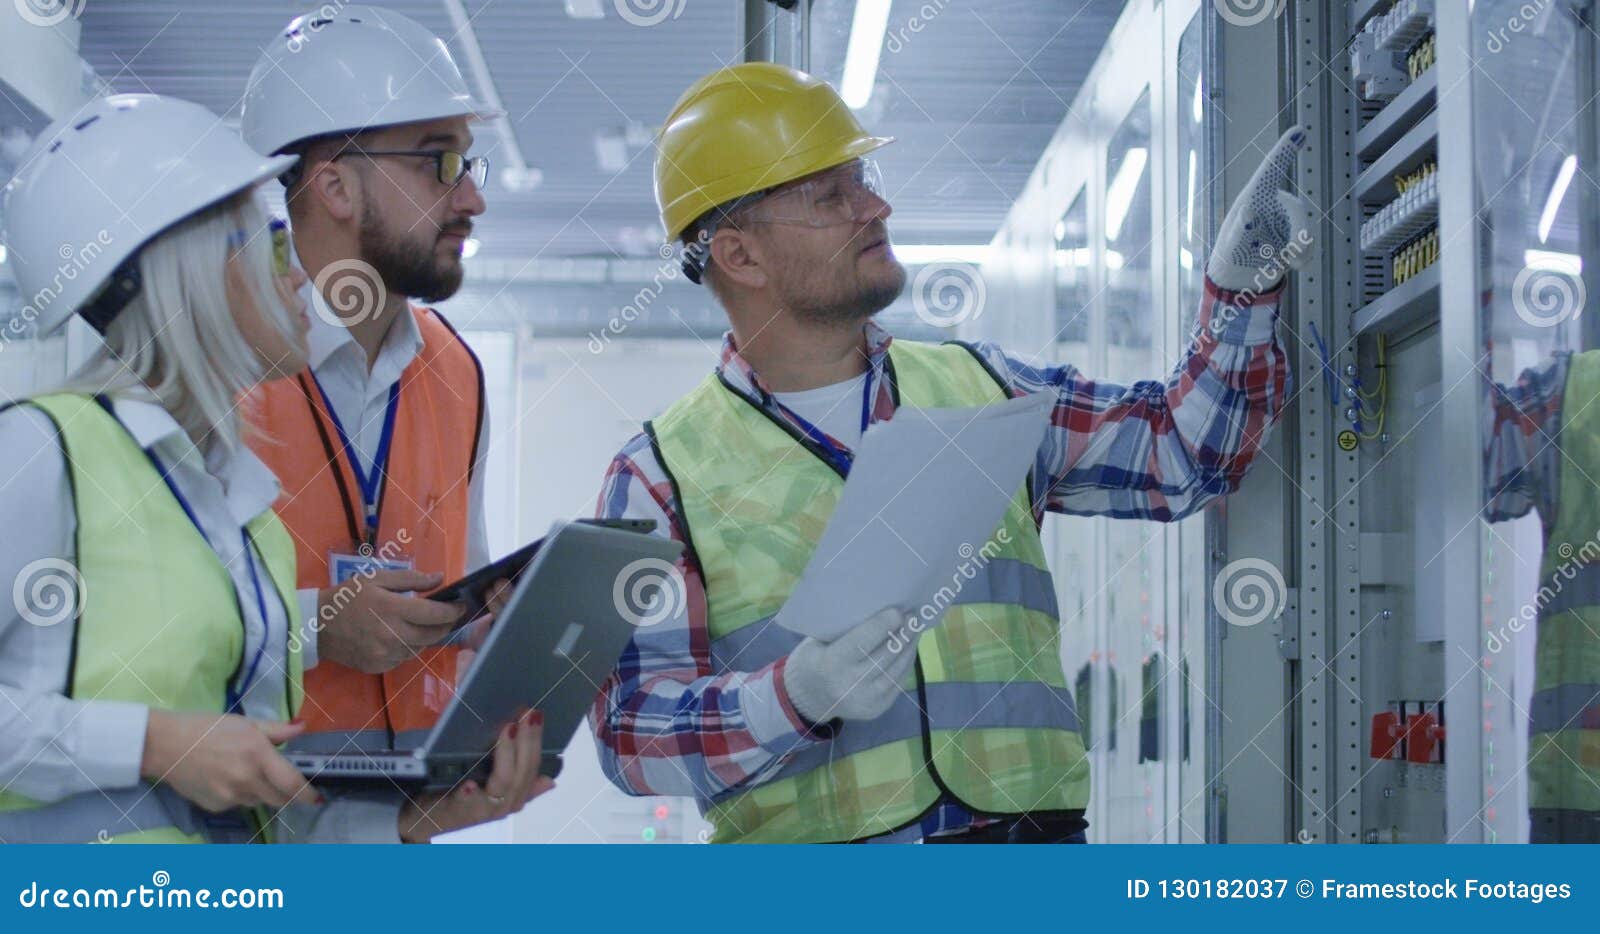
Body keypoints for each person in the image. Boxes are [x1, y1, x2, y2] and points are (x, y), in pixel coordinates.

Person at [590, 63, 1310, 843]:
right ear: (740, 256)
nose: (876, 206)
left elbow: (1180, 455)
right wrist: (792, 694)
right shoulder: (662, 476)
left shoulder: (978, 385)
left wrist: (1239, 291)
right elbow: (630, 733)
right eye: (832, 196)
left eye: (860, 179)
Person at [238, 6, 544, 842]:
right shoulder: (209, 357)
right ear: (334, 184)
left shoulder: (456, 371)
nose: (474, 195)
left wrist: (511, 637)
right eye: (440, 161)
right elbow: (130, 633)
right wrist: (314, 630)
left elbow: (463, 591)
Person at [0, 93, 318, 843]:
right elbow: (177, 755)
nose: (302, 278)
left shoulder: (234, 498)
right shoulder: (42, 451)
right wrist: (149, 742)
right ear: (192, 267)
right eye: (274, 244)